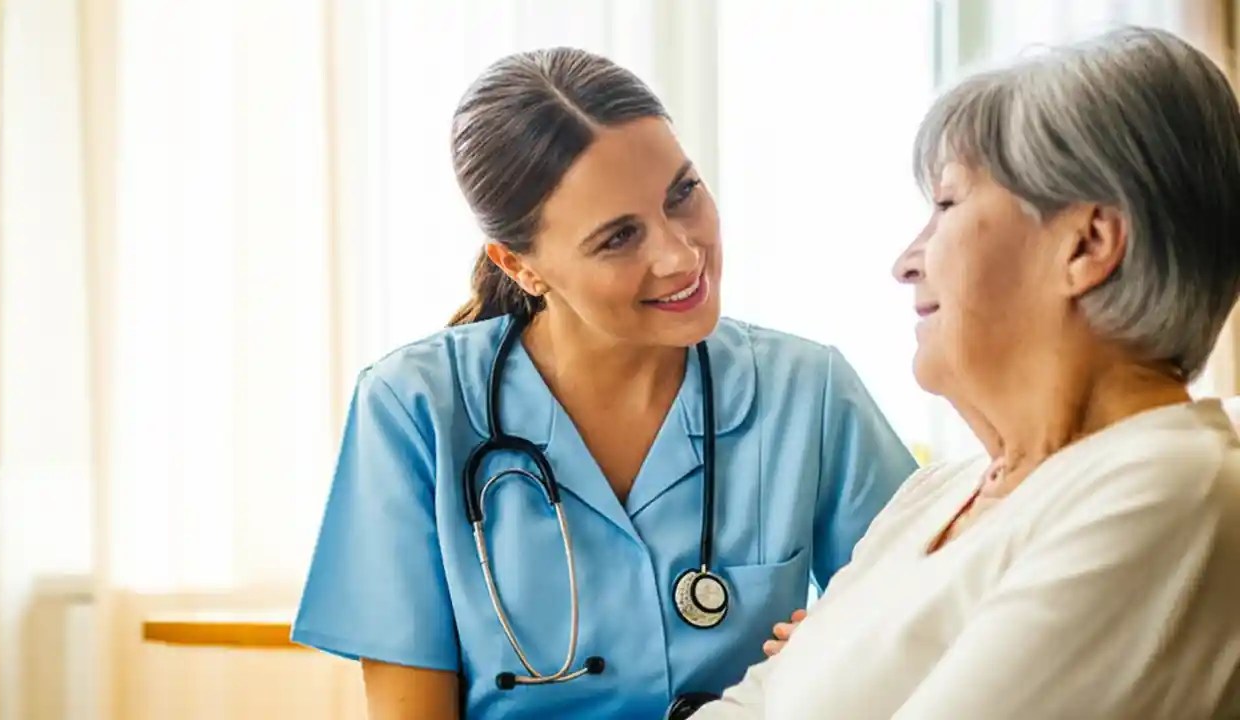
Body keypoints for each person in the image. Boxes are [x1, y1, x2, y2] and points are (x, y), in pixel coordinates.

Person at [290, 46, 917, 719]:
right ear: (521, 265)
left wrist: (845, 659)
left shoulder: (806, 393)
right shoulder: (415, 409)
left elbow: (932, 627)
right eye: (619, 237)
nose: (680, 255)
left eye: (683, 193)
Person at [693, 26, 1240, 719]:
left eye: (948, 205)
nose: (906, 261)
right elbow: (751, 705)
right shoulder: (937, 495)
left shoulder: (1167, 485)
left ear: (1087, 244)